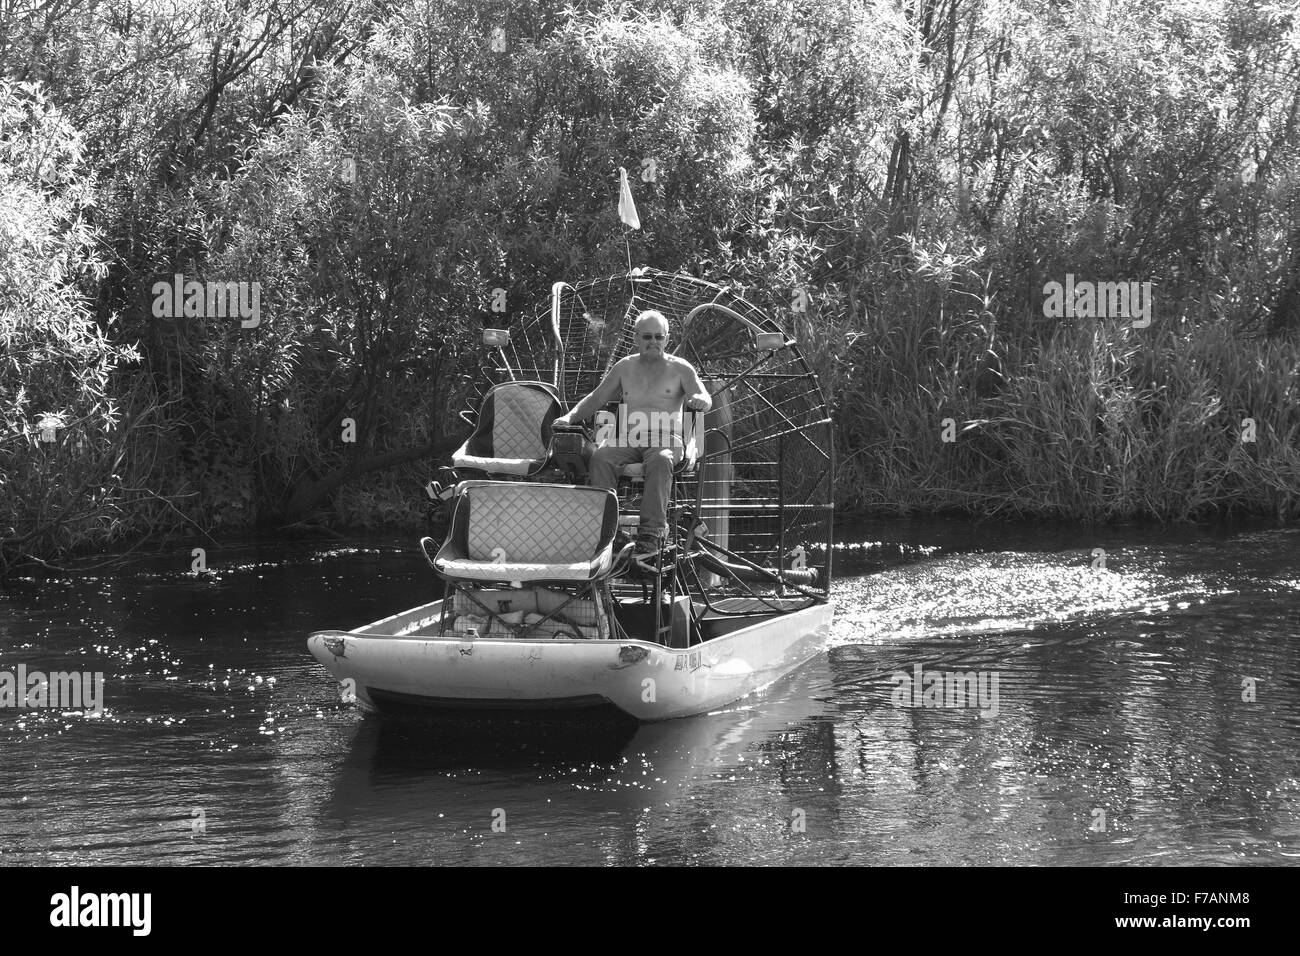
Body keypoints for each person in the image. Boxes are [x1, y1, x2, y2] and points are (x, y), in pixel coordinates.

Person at [552, 310, 711, 553]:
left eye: (659, 337)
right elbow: (597, 398)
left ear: (667, 339)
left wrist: (700, 399)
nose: (653, 342)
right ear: (636, 338)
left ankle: (652, 533)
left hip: (666, 439)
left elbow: (704, 397)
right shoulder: (624, 367)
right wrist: (570, 417)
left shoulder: (681, 368)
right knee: (600, 457)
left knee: (660, 459)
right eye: (647, 337)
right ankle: (609, 531)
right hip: (629, 439)